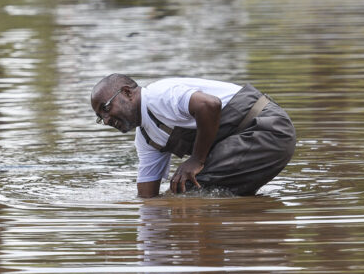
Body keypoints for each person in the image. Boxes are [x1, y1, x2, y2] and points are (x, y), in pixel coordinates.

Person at [90, 74, 296, 198]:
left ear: (127, 92)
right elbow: (147, 196)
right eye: (100, 118)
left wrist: (196, 159)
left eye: (106, 108)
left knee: (189, 193)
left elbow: (209, 105)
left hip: (267, 129)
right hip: (246, 143)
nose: (106, 120)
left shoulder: (158, 95)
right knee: (185, 193)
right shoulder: (146, 138)